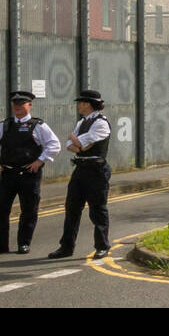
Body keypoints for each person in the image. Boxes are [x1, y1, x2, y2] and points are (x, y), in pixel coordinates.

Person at [0, 90, 61, 255]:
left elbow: (54, 144)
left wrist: (40, 160)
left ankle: (24, 243)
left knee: (29, 210)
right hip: (7, 174)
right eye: (15, 104)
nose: (18, 106)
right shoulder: (4, 125)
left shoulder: (38, 125)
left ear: (29, 105)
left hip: (29, 175)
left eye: (22, 103)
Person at [47, 90, 111, 260]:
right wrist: (80, 145)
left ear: (88, 104)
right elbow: (71, 144)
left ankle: (102, 245)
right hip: (80, 169)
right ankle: (66, 247)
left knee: (97, 209)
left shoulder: (101, 123)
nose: (78, 105)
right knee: (72, 208)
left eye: (80, 102)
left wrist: (80, 144)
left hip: (96, 170)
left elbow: (83, 143)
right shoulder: (82, 122)